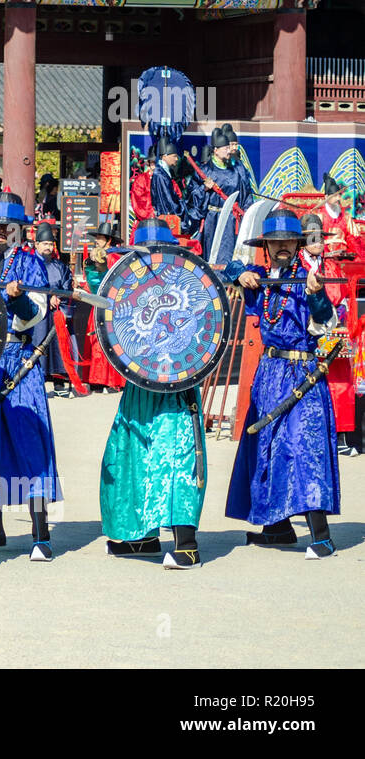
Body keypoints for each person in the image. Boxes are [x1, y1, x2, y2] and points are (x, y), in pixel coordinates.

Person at [227, 208, 341, 559]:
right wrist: (241, 274)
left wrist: (316, 295)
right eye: (275, 241)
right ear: (265, 245)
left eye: (288, 241)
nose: (282, 247)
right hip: (269, 373)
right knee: (267, 447)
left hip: (301, 374)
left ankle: (321, 536)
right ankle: (277, 528)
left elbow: (325, 320)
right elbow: (227, 269)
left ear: (296, 243)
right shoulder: (261, 275)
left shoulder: (309, 274)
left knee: (304, 449)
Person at [99, 219, 207, 569]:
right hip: (140, 384)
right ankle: (142, 536)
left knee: (177, 458)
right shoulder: (128, 287)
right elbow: (110, 314)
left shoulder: (188, 284)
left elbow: (207, 322)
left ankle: (186, 543)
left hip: (178, 385)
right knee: (133, 453)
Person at [0, 190, 62, 561]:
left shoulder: (30, 265)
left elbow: (35, 314)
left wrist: (16, 298)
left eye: (5, 226)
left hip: (18, 359)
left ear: (18, 230)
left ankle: (41, 535)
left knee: (28, 444)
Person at [299, 212, 361, 457]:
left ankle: (341, 436)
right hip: (308, 334)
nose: (318, 243)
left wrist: (343, 316)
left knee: (340, 382)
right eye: (312, 238)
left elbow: (345, 295)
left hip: (335, 331)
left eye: (320, 238)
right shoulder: (298, 267)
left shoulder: (332, 266)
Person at [186, 125, 252, 264]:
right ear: (215, 150)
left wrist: (247, 214)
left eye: (230, 147)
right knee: (212, 255)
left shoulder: (236, 171)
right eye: (225, 148)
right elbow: (190, 196)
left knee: (228, 254)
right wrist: (203, 189)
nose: (229, 150)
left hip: (231, 220)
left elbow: (245, 195)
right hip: (212, 219)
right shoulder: (205, 171)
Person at [33, 221, 77, 397]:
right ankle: (38, 386)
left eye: (51, 244)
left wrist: (59, 297)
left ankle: (60, 385)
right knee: (38, 347)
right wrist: (46, 297)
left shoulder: (60, 266)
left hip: (58, 311)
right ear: (36, 244)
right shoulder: (30, 264)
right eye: (45, 244)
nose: (48, 247)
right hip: (37, 315)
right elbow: (30, 286)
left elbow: (67, 286)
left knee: (59, 348)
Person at [82, 221, 127, 393]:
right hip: (98, 303)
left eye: (100, 238)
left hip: (113, 306)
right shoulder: (96, 255)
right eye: (97, 239)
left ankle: (113, 380)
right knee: (96, 343)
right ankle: (97, 380)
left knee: (113, 342)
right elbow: (92, 282)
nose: (96, 241)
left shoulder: (115, 257)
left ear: (108, 240)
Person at [316, 173, 362, 260]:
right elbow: (315, 239)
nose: (338, 198)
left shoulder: (346, 217)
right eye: (335, 195)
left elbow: (354, 238)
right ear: (326, 197)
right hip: (325, 255)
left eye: (339, 195)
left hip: (344, 254)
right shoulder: (320, 216)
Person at [150, 138, 190, 230]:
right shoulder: (160, 174)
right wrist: (182, 207)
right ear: (164, 156)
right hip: (166, 219)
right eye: (174, 156)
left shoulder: (162, 172)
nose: (176, 159)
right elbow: (168, 200)